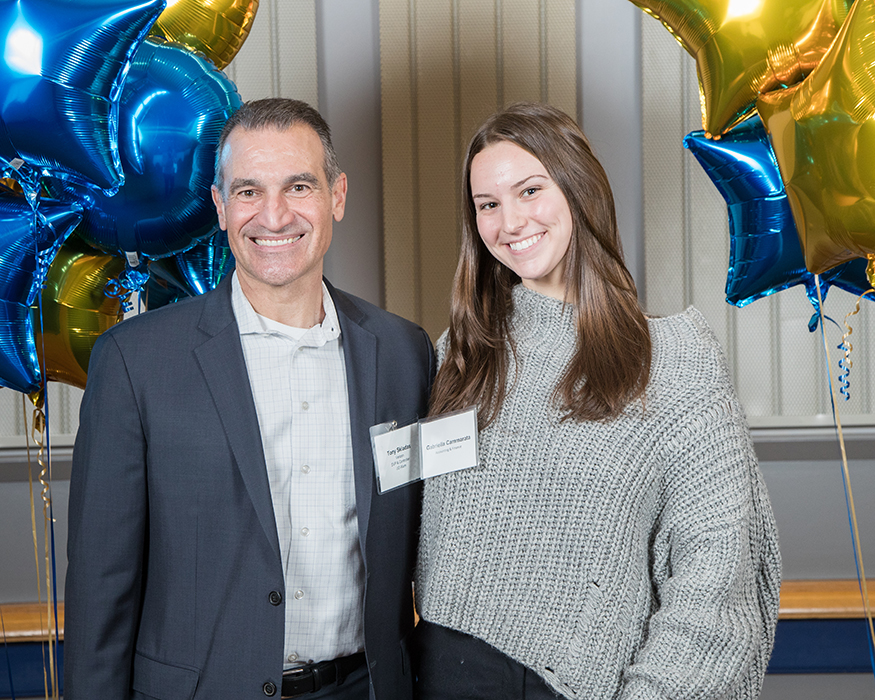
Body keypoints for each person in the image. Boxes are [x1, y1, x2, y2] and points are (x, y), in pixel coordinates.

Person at [64, 98, 434, 700]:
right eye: (248, 191)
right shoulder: (136, 362)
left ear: (337, 196)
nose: (274, 215)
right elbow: (99, 589)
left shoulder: (403, 352)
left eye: (298, 186)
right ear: (220, 206)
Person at [413, 102, 781, 699]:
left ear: (578, 188)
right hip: (434, 676)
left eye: (530, 190)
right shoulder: (458, 353)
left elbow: (720, 576)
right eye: (487, 204)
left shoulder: (673, 360)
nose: (510, 221)